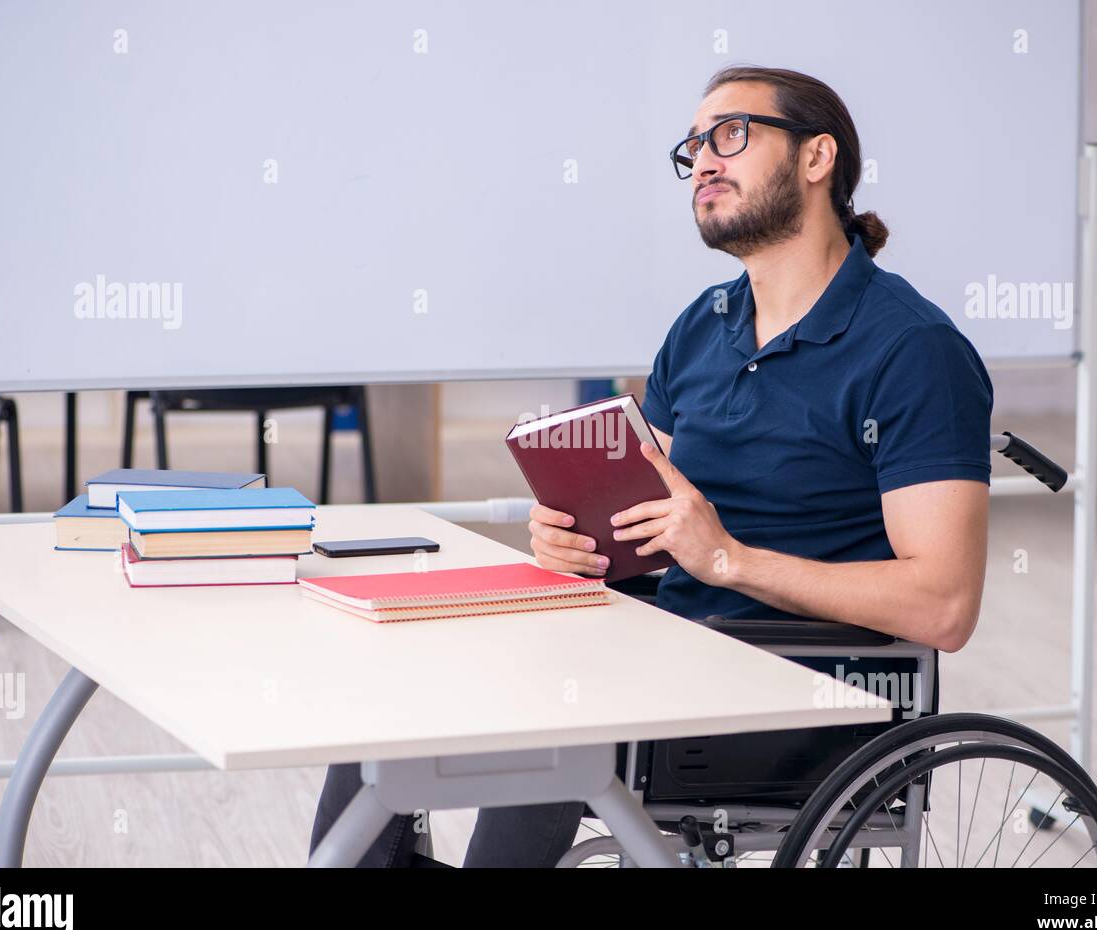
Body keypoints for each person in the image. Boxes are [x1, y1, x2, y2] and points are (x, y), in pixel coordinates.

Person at [309, 65, 992, 867]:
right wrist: (576, 536)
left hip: (803, 690)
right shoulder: (703, 325)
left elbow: (944, 605)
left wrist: (728, 559)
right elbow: (642, 517)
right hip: (665, 645)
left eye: (731, 134)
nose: (703, 159)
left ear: (817, 159)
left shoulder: (914, 350)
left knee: (557, 703)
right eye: (694, 145)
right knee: (402, 663)